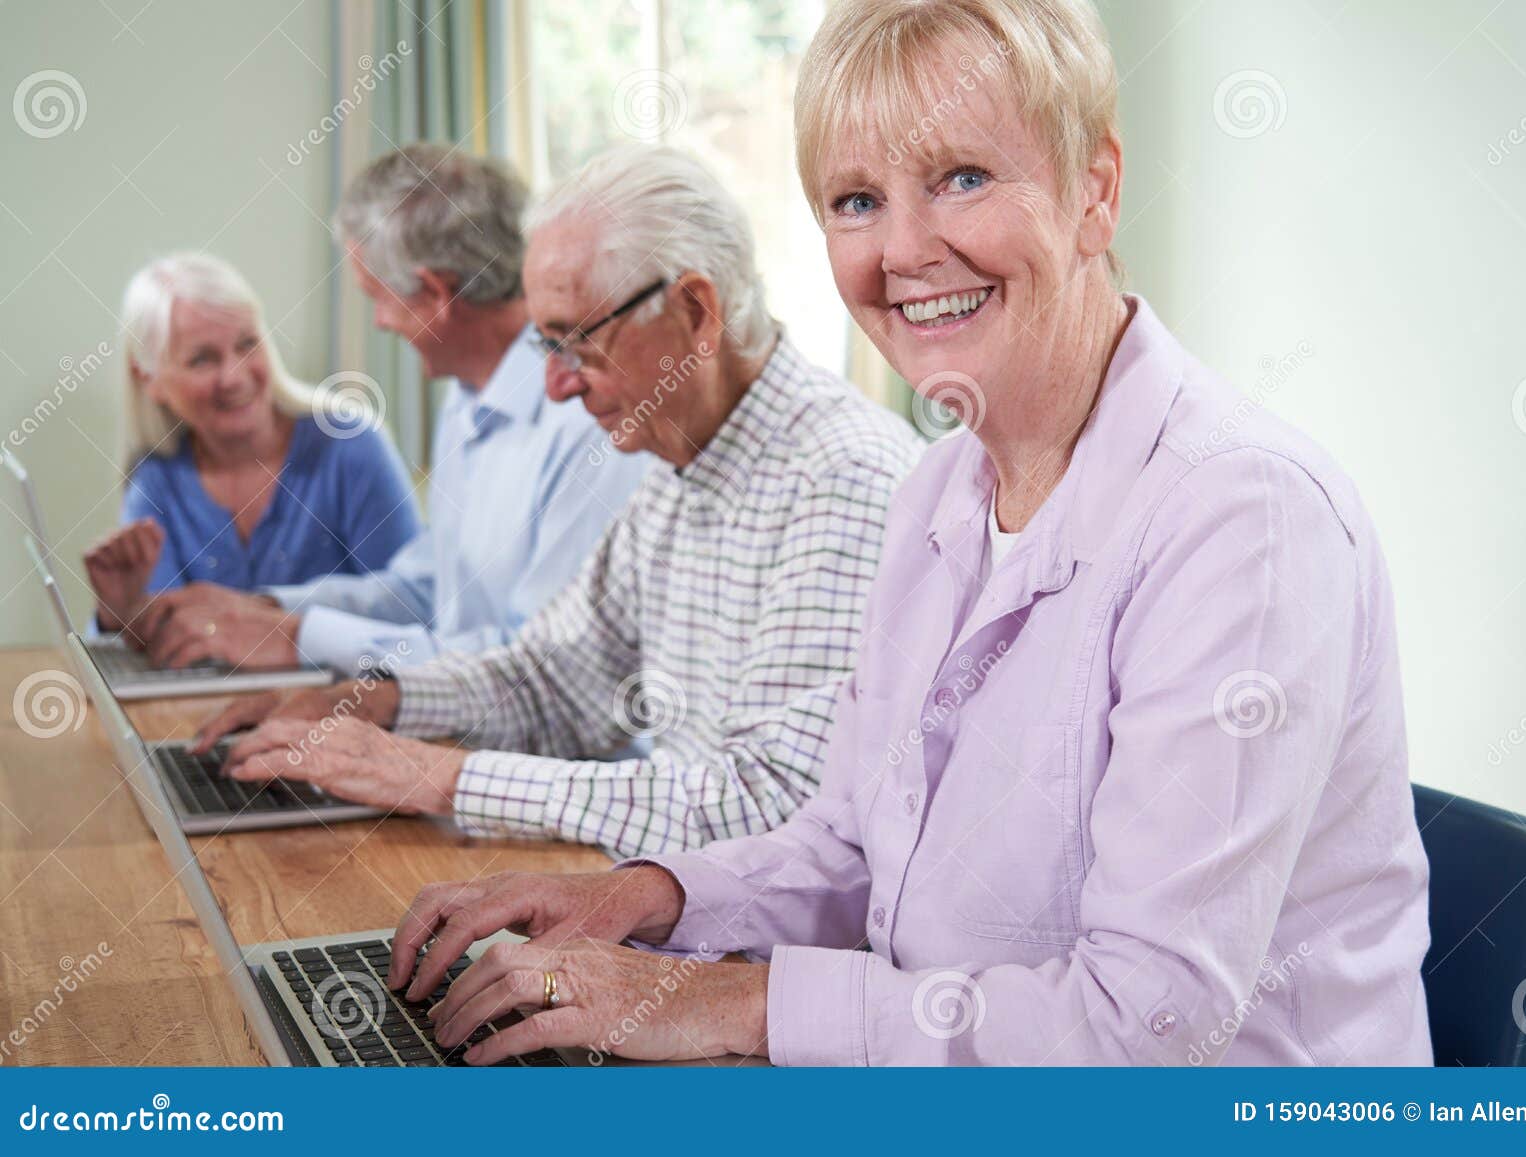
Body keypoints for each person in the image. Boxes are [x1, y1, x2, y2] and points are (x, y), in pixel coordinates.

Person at [378, 0, 1434, 1068]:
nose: (901, 251)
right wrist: (642, 897)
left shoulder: (1241, 519)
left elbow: (1142, 1028)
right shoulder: (940, 489)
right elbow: (851, 840)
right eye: (856, 200)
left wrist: (735, 1004)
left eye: (963, 178)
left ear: (1095, 192)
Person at [192, 144, 925, 860]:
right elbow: (556, 675)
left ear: (696, 313)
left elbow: (769, 810)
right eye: (548, 348)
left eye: (576, 344)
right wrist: (377, 700)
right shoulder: (679, 462)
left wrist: (440, 776)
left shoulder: (842, 481)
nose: (557, 388)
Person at [132, 145, 648, 674]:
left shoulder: (586, 423)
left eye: (377, 297)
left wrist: (302, 637)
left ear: (433, 296)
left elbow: (543, 670)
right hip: (457, 726)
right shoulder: (467, 396)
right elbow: (428, 591)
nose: (379, 322)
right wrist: (267, 610)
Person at [86, 252, 419, 649]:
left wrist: (256, 614)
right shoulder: (157, 476)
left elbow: (415, 607)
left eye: (247, 344)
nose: (234, 376)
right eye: (202, 359)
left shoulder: (350, 446)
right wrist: (117, 616)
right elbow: (161, 639)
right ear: (150, 378)